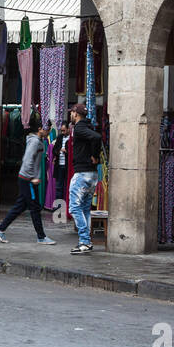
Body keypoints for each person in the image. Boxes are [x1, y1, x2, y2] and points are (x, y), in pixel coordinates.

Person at [0, 123, 55, 245]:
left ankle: (0, 229)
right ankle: (41, 237)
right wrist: (32, 177)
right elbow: (27, 160)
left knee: (20, 206)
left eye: (49, 129)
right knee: (35, 208)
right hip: (28, 179)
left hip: (26, 178)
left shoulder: (37, 141)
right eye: (47, 129)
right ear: (39, 128)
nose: (48, 132)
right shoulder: (35, 142)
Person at [68, 102, 102, 255]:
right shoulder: (88, 126)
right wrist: (94, 157)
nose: (71, 115)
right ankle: (86, 241)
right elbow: (95, 137)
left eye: (72, 112)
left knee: (74, 207)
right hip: (92, 174)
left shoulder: (80, 127)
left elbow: (97, 137)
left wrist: (95, 156)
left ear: (76, 114)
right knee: (85, 208)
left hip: (83, 173)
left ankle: (84, 241)